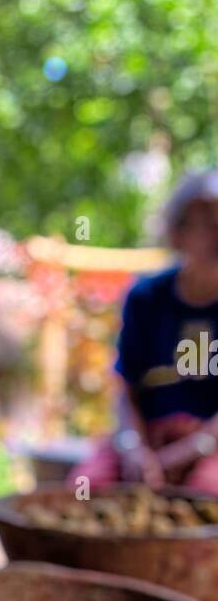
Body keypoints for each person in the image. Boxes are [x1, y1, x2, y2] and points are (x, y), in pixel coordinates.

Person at [76, 170, 218, 493]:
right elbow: (126, 388)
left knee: (206, 496)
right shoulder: (146, 298)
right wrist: (134, 448)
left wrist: (184, 454)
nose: (216, 234)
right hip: (145, 436)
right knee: (88, 490)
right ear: (178, 232)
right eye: (207, 223)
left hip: (209, 445)